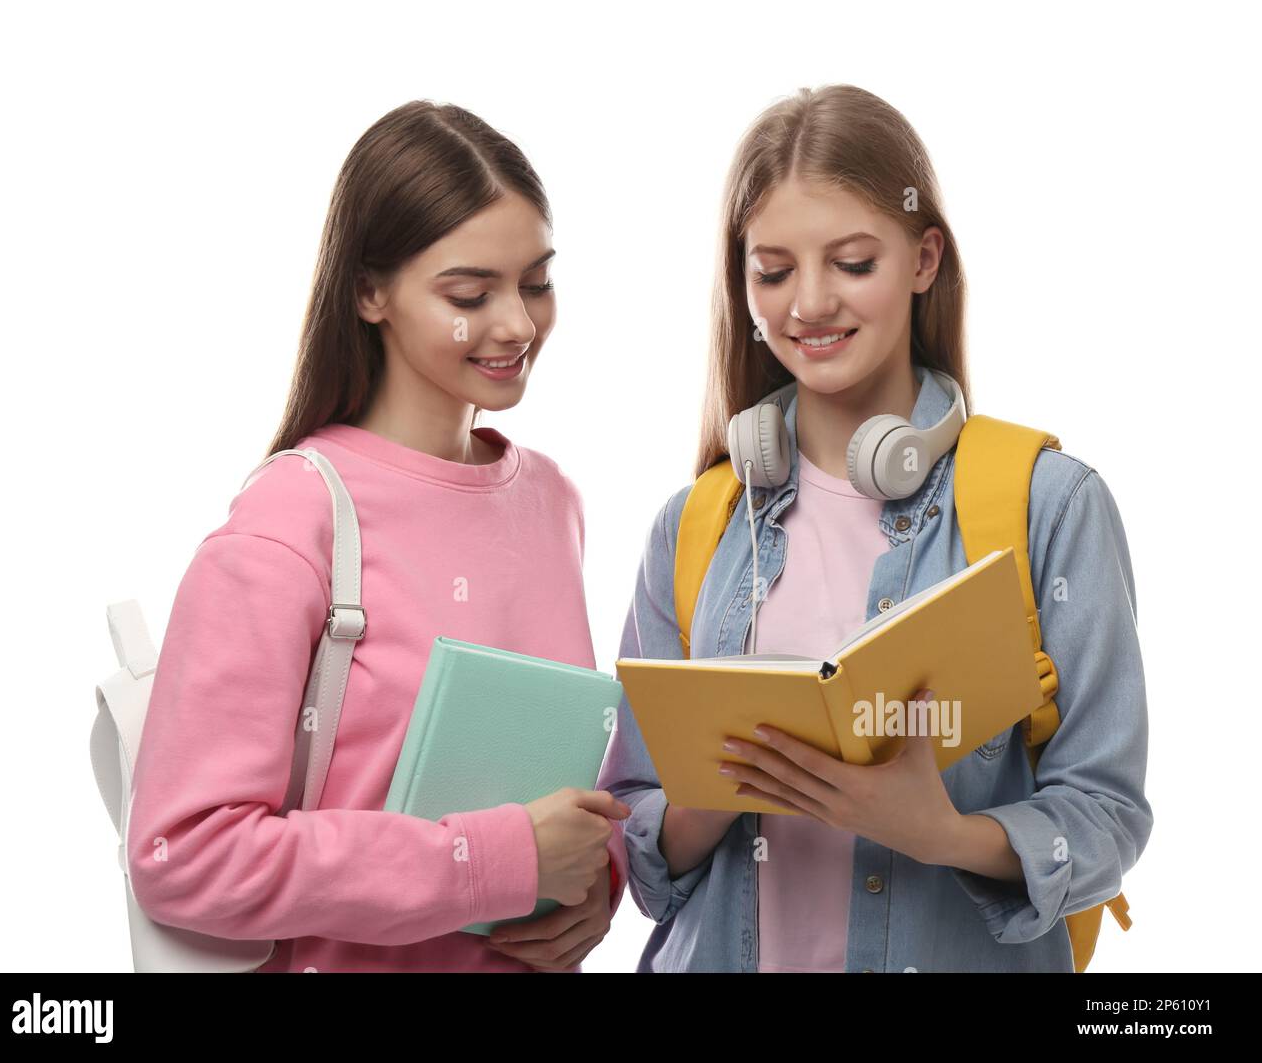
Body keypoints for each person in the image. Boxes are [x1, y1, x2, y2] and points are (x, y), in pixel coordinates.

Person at [598, 84, 1152, 972]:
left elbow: (1107, 816)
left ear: (924, 258)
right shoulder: (695, 523)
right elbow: (636, 830)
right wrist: (708, 799)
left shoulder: (1050, 506)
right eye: (772, 271)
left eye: (853, 263)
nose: (809, 304)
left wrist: (943, 834)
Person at [127, 101, 629, 972]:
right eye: (470, 294)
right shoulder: (293, 523)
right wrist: (494, 863)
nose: (516, 323)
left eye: (537, 282)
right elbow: (184, 856)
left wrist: (595, 889)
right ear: (369, 292)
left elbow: (561, 779)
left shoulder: (552, 502)